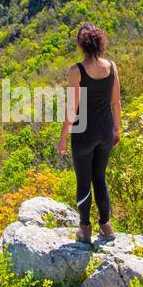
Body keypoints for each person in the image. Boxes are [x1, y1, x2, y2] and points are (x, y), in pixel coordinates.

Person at [56, 23, 121, 243]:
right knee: (100, 178)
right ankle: (106, 225)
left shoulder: (76, 71)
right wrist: (117, 129)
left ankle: (84, 229)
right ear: (100, 43)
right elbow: (116, 102)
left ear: (81, 45)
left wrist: (63, 137)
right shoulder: (112, 67)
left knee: (83, 181)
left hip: (83, 133)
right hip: (105, 131)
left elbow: (72, 108)